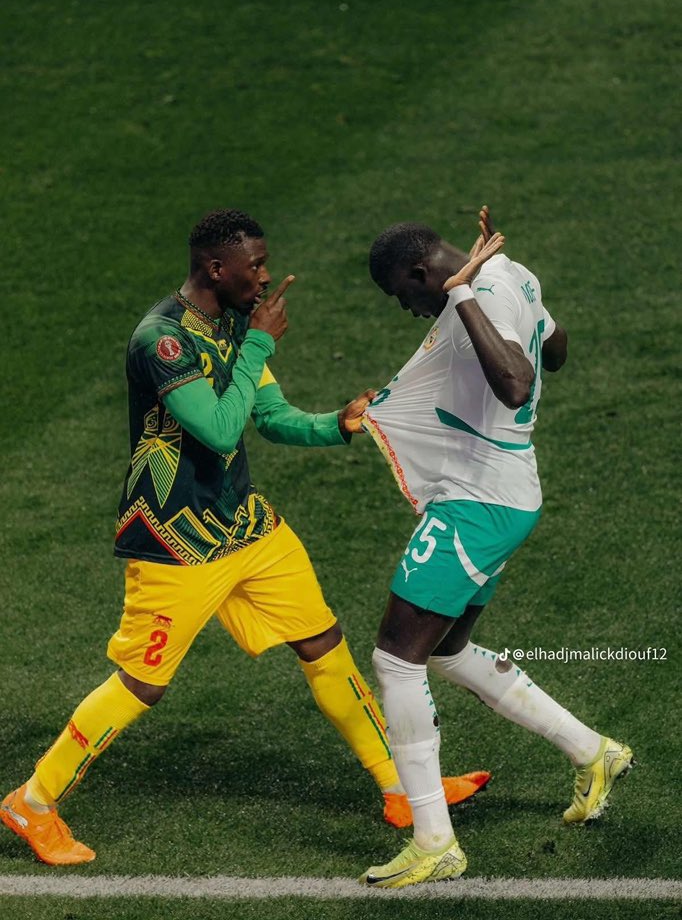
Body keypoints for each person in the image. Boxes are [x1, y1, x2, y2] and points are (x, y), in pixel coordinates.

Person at [1, 208, 488, 867]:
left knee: (323, 645)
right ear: (214, 268)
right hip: (175, 538)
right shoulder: (161, 342)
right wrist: (258, 343)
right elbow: (219, 429)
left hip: (246, 525)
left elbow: (271, 416)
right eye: (254, 266)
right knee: (142, 683)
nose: (263, 278)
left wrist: (337, 424)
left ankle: (402, 788)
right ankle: (32, 802)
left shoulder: (234, 324)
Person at [358, 207, 634, 888]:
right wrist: (477, 299)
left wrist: (462, 296)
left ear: (422, 271)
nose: (407, 310)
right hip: (505, 491)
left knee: (396, 659)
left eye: (403, 294)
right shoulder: (514, 273)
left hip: (477, 500)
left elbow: (517, 382)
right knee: (445, 649)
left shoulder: (477, 290)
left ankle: (434, 842)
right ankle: (591, 751)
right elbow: (556, 349)